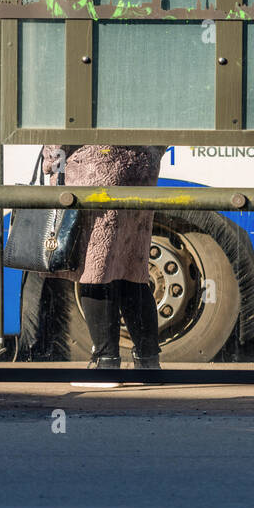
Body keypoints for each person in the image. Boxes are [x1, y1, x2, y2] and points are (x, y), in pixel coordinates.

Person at [41, 144, 166, 388]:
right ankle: (148, 364)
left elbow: (62, 129)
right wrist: (150, 154)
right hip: (141, 170)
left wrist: (51, 161)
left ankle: (106, 365)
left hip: (96, 170)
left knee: (96, 269)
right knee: (132, 270)